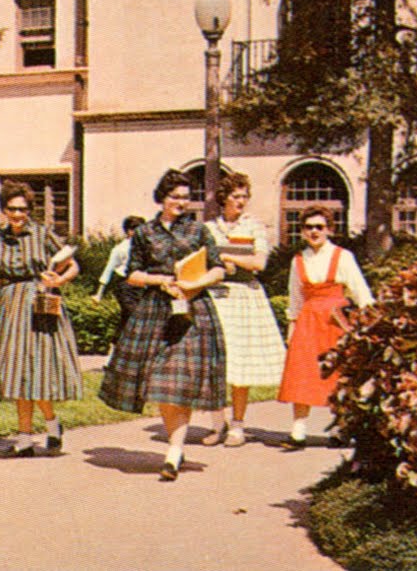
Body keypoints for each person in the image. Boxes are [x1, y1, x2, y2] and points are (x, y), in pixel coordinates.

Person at [98, 169, 227, 480]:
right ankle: (176, 447)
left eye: (185, 197)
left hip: (192, 312)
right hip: (155, 310)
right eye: (175, 197)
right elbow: (133, 274)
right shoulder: (144, 233)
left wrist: (194, 284)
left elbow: (219, 269)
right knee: (161, 384)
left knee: (179, 381)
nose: (180, 202)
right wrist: (163, 280)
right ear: (162, 198)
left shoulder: (198, 231)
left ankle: (172, 453)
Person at [0, 180, 84, 456]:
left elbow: (73, 265)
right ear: (3, 210)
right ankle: (24, 439)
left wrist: (58, 279)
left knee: (37, 372)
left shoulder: (42, 234)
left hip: (39, 306)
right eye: (12, 209)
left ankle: (52, 423)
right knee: (16, 374)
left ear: (30, 210)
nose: (17, 214)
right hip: (10, 307)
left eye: (22, 209)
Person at [277, 206, 374, 450]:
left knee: (338, 374)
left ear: (329, 229)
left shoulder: (342, 256)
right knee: (302, 371)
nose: (314, 232)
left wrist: (368, 320)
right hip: (308, 320)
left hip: (335, 320)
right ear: (302, 231)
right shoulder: (298, 260)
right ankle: (298, 431)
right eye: (309, 227)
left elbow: (360, 290)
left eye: (319, 227)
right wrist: (292, 325)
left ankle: (341, 429)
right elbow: (295, 297)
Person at [203, 173, 286, 447]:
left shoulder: (254, 226)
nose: (241, 201)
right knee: (214, 363)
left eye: (244, 197)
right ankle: (218, 424)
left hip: (245, 296)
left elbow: (259, 263)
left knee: (241, 366)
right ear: (224, 198)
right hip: (216, 295)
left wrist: (227, 256)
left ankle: (238, 425)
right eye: (236, 196)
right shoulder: (209, 228)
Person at [93, 216, 147, 365]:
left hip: (142, 286)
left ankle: (113, 355)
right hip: (125, 286)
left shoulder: (145, 248)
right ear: (129, 231)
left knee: (127, 320)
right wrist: (99, 293)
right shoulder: (120, 249)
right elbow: (108, 270)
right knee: (133, 315)